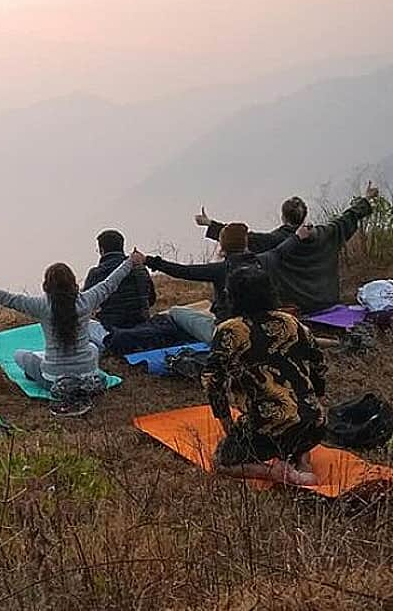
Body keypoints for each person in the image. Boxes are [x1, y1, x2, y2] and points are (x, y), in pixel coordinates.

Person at [203, 265, 326, 486]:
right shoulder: (292, 322)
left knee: (222, 461)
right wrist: (314, 403)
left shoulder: (230, 330)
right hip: (314, 424)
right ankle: (301, 459)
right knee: (294, 425)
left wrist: (228, 427)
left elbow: (212, 381)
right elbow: (319, 363)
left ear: (232, 296)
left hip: (268, 426)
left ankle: (276, 473)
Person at [0, 249, 147, 387]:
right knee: (92, 347)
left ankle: (47, 377)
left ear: (47, 284)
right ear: (73, 282)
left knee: (19, 355)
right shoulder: (87, 300)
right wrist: (130, 262)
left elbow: (9, 299)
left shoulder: (41, 306)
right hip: (88, 373)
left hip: (54, 378)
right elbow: (109, 284)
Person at [143, 222, 296, 344]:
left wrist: (148, 261)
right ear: (246, 243)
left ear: (222, 246)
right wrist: (299, 236)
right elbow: (281, 251)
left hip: (227, 334)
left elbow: (184, 271)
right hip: (262, 328)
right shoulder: (263, 261)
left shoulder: (220, 269)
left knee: (176, 311)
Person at [260, 184, 380, 314]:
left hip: (294, 311)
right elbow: (348, 217)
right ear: (305, 216)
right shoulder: (326, 234)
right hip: (327, 306)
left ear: (283, 217)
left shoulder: (272, 241)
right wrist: (367, 198)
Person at [196, 197, 307, 254]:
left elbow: (238, 238)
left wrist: (209, 223)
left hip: (285, 295)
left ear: (283, 217)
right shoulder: (319, 240)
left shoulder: (275, 240)